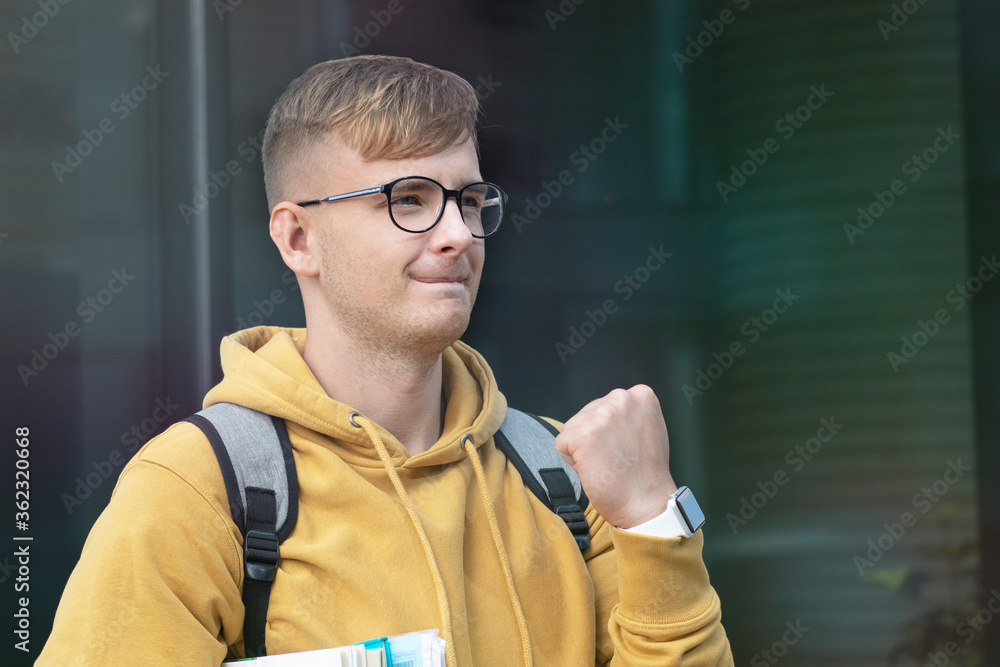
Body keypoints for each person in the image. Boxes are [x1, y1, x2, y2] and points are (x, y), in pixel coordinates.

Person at [38, 55, 733, 666]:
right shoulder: (198, 491)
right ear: (298, 238)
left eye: (468, 201)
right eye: (409, 200)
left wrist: (652, 519)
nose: (458, 234)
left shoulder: (569, 479)